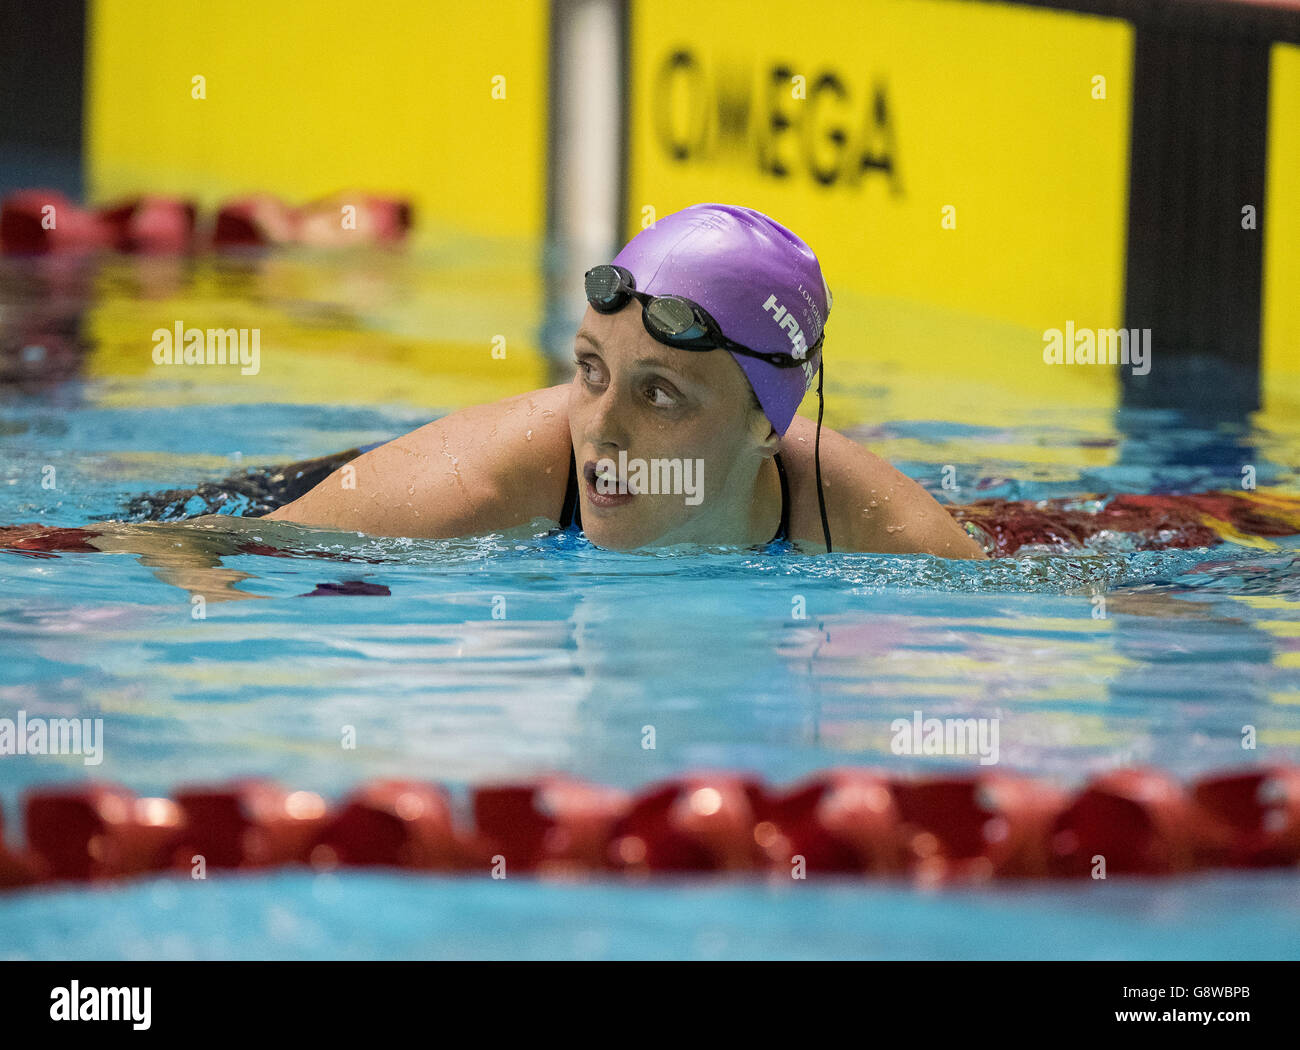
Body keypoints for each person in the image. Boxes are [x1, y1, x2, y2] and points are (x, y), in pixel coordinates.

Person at [264, 203, 987, 558]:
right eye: (590, 371)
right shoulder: (471, 487)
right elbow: (185, 544)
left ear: (768, 425)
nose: (601, 429)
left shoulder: (873, 526)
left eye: (658, 393)